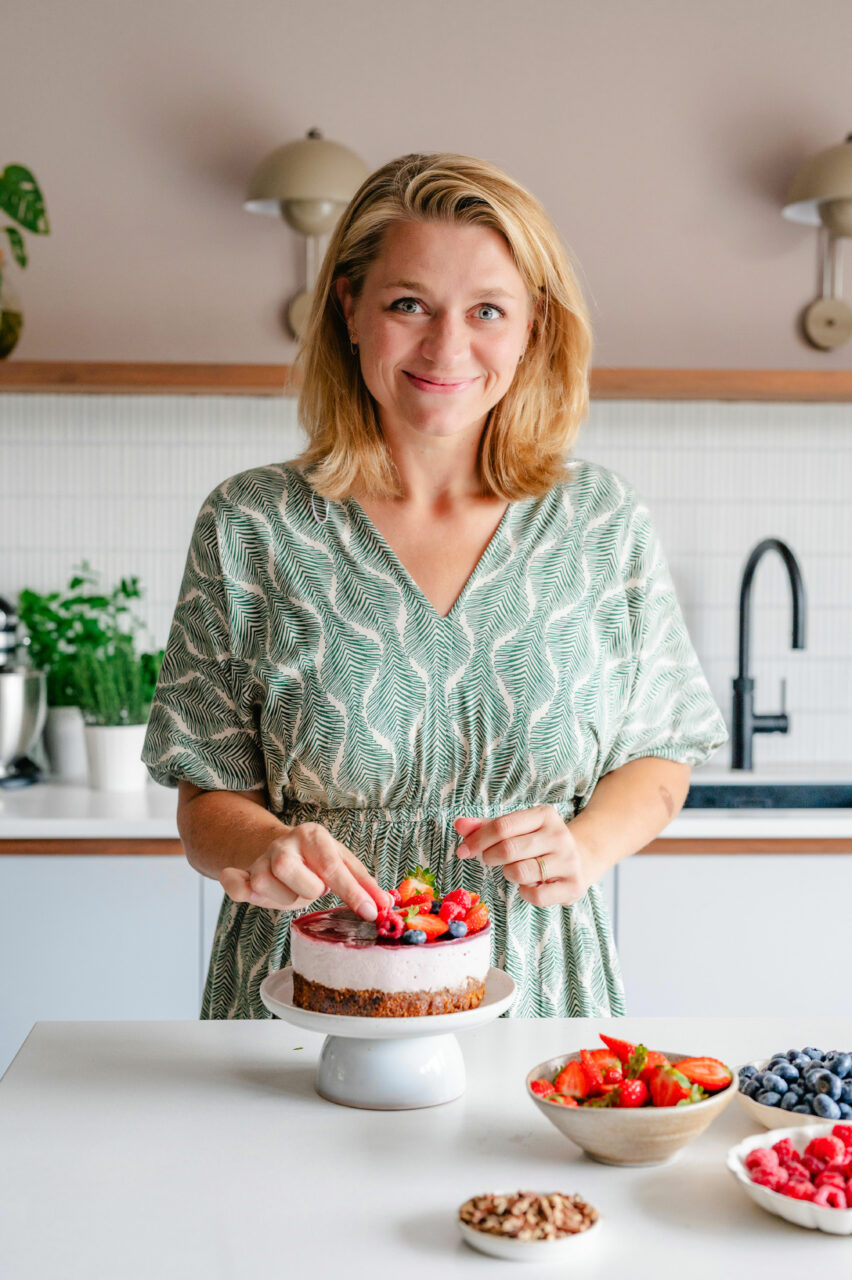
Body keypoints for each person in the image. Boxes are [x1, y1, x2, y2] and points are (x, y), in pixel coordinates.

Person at [142, 152, 728, 1019]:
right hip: (308, 994)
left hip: (536, 990)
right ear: (349, 307)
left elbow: (660, 752)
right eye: (408, 303)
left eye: (487, 310)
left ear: (533, 327)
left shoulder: (600, 523)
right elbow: (205, 798)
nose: (446, 346)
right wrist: (266, 844)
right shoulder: (252, 525)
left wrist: (587, 845)